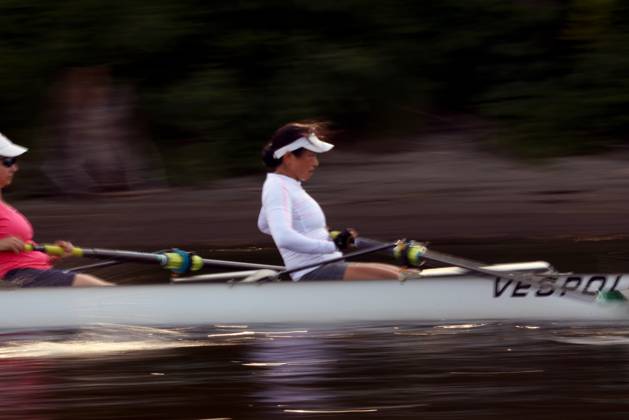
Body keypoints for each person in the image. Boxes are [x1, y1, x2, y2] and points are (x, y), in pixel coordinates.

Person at [258, 121, 404, 281]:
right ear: (288, 157)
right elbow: (284, 238)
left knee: (400, 273)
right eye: (311, 155)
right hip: (312, 271)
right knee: (395, 277)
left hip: (328, 264)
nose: (316, 163)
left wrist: (317, 235)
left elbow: (264, 224)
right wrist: (332, 245)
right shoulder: (278, 187)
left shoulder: (287, 185)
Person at [0, 132, 112, 287]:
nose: (15, 168)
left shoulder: (5, 206)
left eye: (14, 161)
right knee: (100, 288)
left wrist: (49, 254)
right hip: (13, 276)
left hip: (30, 271)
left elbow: (20, 249)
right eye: (8, 161)